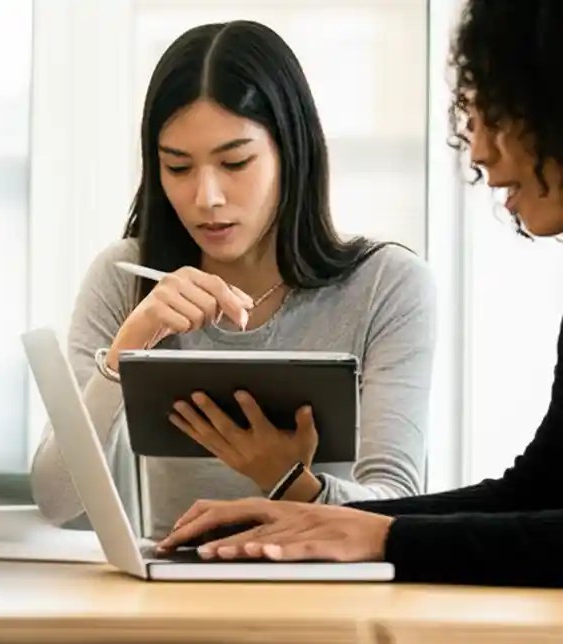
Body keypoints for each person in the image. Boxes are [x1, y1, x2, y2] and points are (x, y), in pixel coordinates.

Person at [158, 0, 563, 588]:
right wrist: (320, 518)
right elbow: (537, 490)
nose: (477, 151)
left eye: (501, 113)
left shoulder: (387, 283)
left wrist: (377, 532)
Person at [29, 20, 437, 538]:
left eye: (236, 162)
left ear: (292, 152)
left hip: (329, 604)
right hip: (171, 604)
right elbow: (56, 498)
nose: (207, 198)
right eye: (178, 168)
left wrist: (287, 480)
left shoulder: (388, 286)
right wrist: (126, 352)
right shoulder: (123, 278)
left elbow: (400, 507)